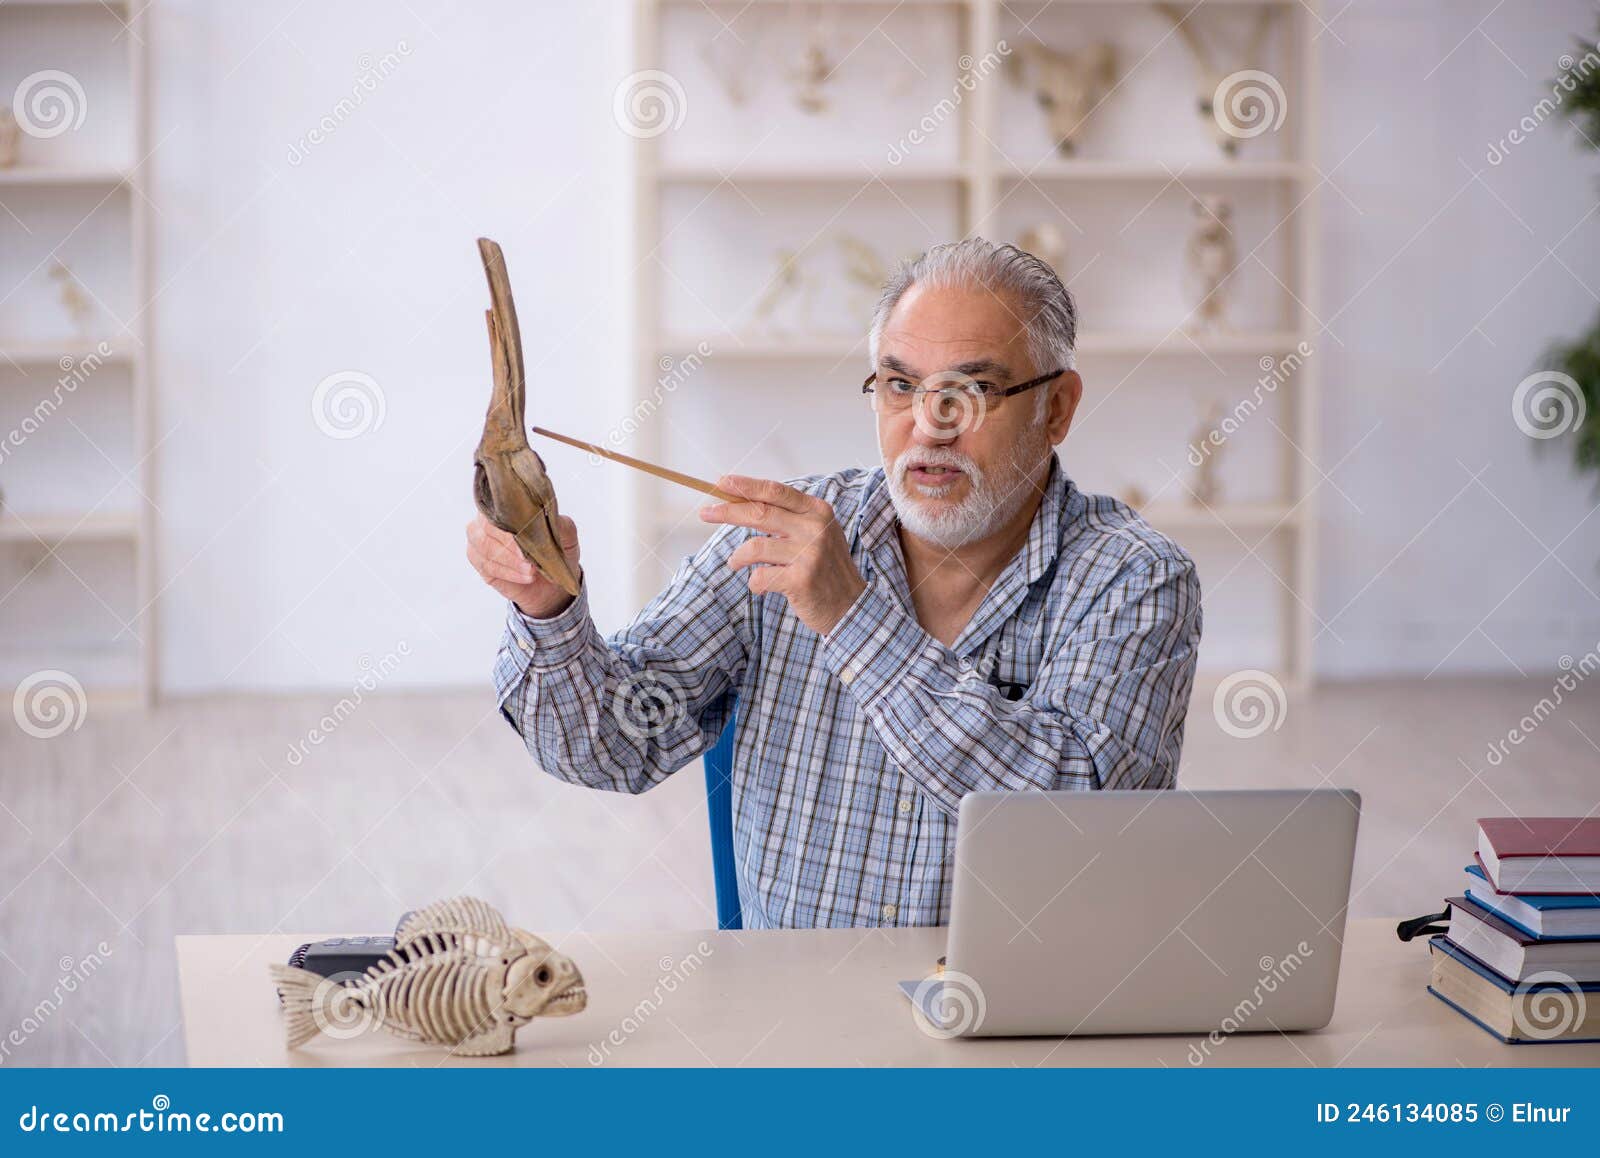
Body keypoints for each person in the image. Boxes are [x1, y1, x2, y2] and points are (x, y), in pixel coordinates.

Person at [466, 237, 1202, 929]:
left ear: (1058, 408)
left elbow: (1078, 831)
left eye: (973, 389)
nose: (928, 425)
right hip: (796, 1027)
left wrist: (853, 618)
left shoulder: (1136, 580)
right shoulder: (779, 541)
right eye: (899, 385)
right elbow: (610, 747)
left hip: (1023, 1042)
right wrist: (548, 605)